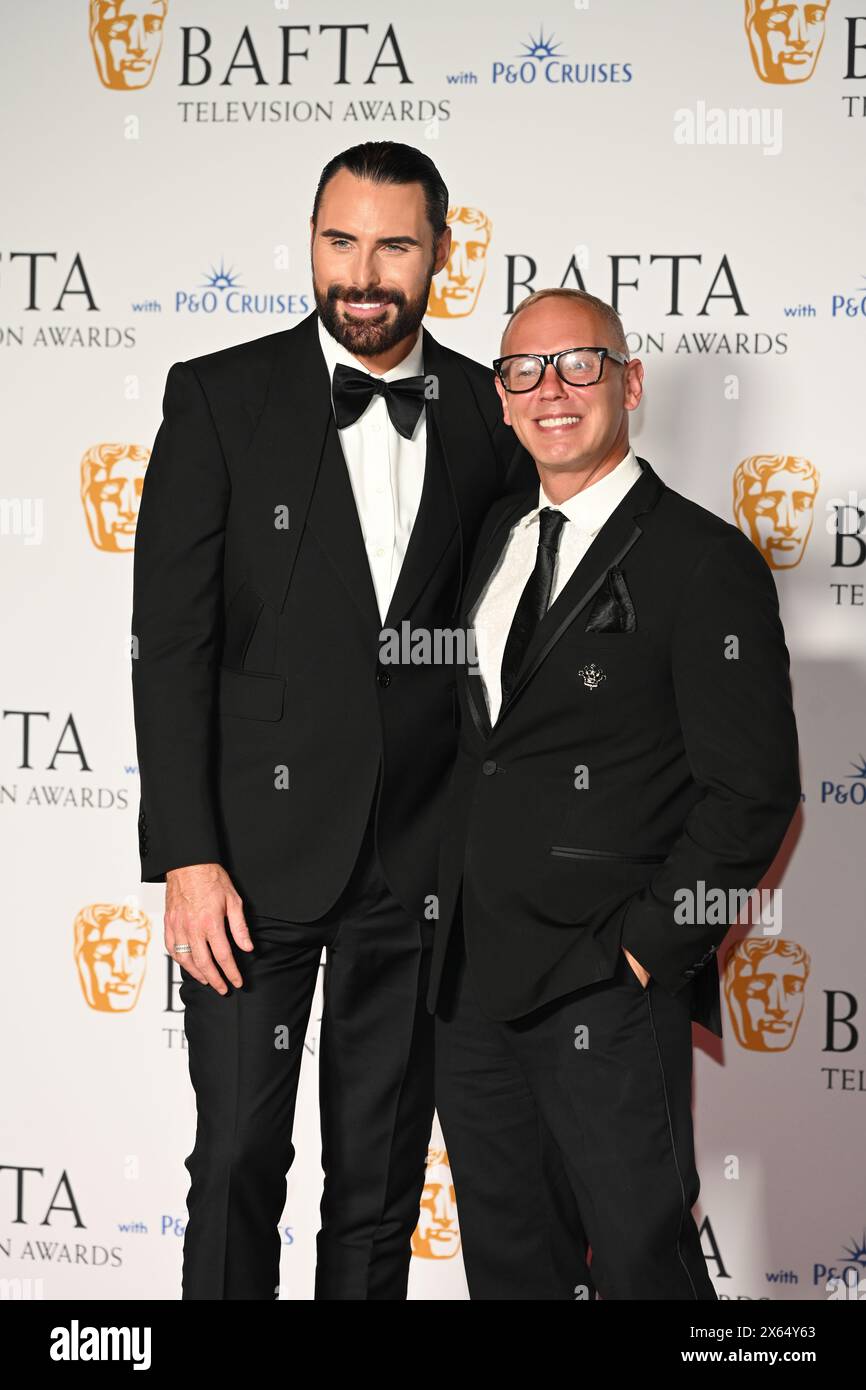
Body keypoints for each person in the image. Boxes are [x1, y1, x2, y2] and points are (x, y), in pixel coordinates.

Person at [130, 140, 533, 1300]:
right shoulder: (217, 396)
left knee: (377, 1190)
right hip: (247, 870)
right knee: (239, 1159)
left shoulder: (484, 414)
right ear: (310, 242)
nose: (362, 273)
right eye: (338, 240)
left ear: (440, 256)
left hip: (416, 867)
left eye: (392, 245)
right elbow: (173, 649)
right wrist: (188, 855)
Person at [428, 287, 801, 1300]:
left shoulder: (701, 561)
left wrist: (642, 951)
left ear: (628, 382)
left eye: (578, 363)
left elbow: (753, 797)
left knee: (643, 1268)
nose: (551, 389)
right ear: (501, 401)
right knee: (510, 1268)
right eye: (523, 371)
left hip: (605, 986)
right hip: (468, 990)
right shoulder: (491, 542)